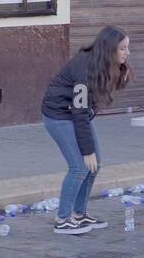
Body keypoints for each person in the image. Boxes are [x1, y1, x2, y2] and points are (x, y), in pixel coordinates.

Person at [41, 26, 132, 234]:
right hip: (58, 115)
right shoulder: (84, 68)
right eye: (123, 48)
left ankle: (79, 214)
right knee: (80, 166)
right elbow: (79, 111)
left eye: (127, 48)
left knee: (94, 165)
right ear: (110, 49)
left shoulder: (104, 64)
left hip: (78, 114)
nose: (128, 53)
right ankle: (63, 219)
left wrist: (123, 73)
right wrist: (87, 150)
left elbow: (87, 107)